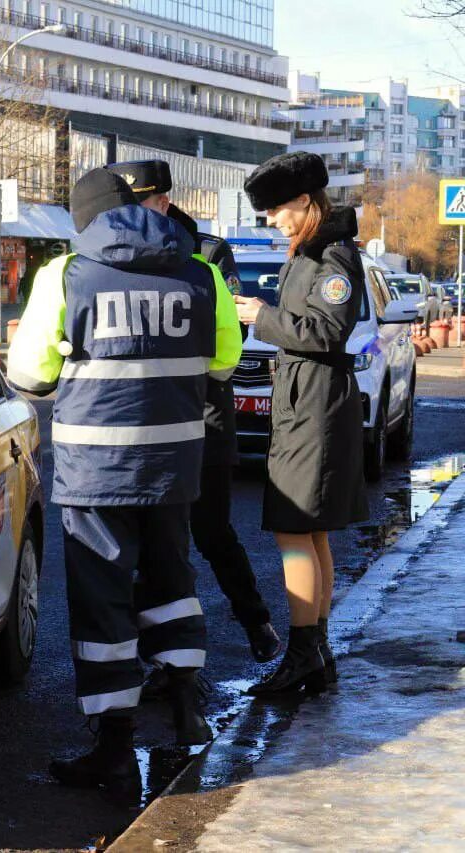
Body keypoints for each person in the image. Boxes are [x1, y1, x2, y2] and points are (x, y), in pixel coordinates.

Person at [7, 169, 242, 802]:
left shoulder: (64, 275)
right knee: (172, 580)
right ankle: (187, 705)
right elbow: (224, 361)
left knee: (103, 600)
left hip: (96, 472)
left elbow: (29, 374)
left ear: (84, 219)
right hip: (173, 465)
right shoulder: (201, 271)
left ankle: (113, 747)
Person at [109, 160, 283, 667]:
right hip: (142, 420)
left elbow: (232, 338)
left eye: (137, 204)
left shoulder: (206, 252)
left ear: (162, 201)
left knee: (211, 532)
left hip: (203, 418)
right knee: (156, 543)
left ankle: (256, 622)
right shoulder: (114, 254)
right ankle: (164, 657)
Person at [233, 151, 368, 695]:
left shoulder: (330, 256)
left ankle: (304, 651)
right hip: (306, 398)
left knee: (293, 528)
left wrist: (258, 316)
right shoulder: (311, 251)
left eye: (275, 209)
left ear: (306, 203)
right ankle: (316, 650)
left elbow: (325, 331)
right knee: (308, 530)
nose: (270, 219)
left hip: (313, 402)